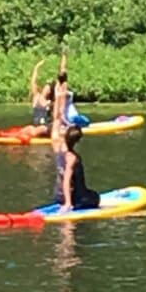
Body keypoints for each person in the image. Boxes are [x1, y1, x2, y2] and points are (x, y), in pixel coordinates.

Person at [51, 54, 99, 211]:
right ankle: (71, 202)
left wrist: (58, 94)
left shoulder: (56, 144)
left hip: (56, 196)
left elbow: (57, 118)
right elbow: (66, 180)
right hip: (71, 198)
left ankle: (67, 200)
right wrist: (68, 204)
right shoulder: (72, 157)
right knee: (95, 197)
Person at [27, 58, 53, 129]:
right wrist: (37, 67)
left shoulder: (50, 102)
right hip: (37, 125)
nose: (45, 88)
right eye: (45, 86)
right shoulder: (37, 96)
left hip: (46, 126)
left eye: (47, 87)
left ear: (49, 92)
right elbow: (33, 82)